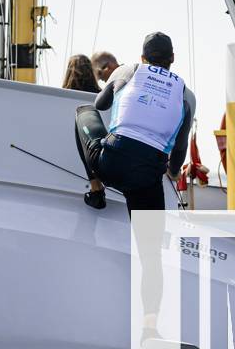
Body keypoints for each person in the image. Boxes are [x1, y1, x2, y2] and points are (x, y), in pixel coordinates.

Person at [74, 32, 195, 214]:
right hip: (146, 177)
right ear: (172, 58)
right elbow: (180, 145)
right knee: (149, 240)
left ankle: (96, 190)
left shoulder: (128, 71)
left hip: (109, 165)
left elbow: (100, 105)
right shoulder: (186, 95)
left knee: (84, 110)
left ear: (143, 58)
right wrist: (174, 171)